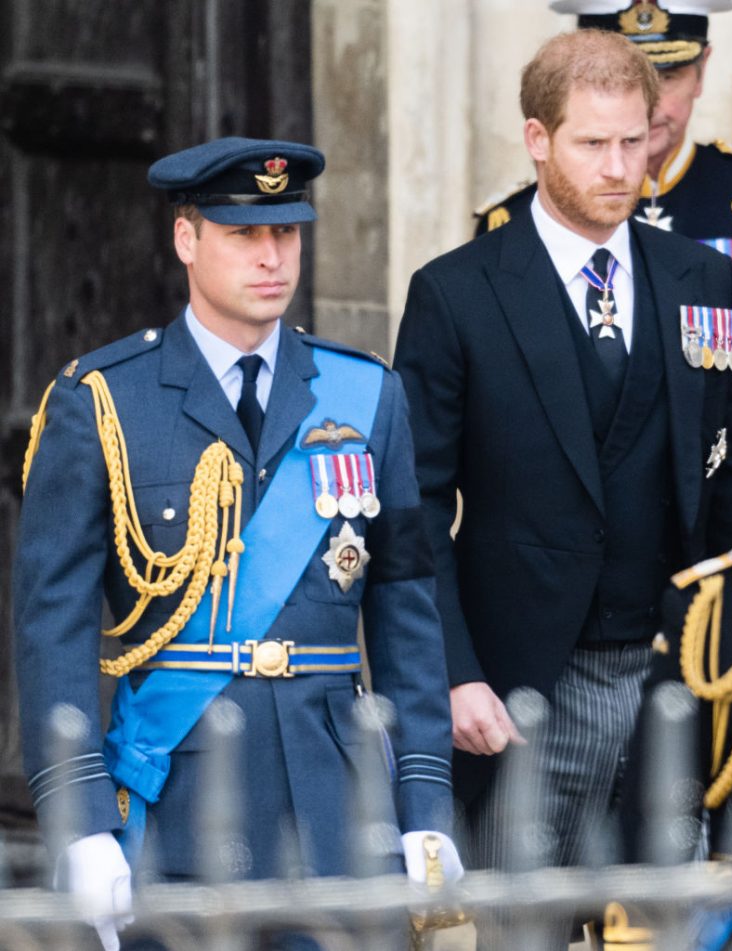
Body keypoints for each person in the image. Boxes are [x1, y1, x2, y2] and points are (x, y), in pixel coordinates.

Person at [14, 137, 461, 950]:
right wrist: (77, 819)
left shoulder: (366, 393)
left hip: (337, 808)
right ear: (187, 240)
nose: (272, 258)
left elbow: (405, 602)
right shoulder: (105, 402)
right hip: (177, 799)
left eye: (286, 234)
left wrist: (425, 803)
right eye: (243, 234)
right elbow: (55, 625)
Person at [394, 26, 732, 914]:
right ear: (538, 140)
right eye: (592, 143)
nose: (618, 167)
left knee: (669, 931)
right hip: (520, 688)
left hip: (672, 678)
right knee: (525, 931)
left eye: (633, 141)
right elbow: (413, 509)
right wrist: (453, 672)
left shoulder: (702, 280)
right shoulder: (459, 292)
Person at [475, 1, 732, 286]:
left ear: (701, 71)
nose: (649, 107)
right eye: (614, 86)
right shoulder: (516, 216)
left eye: (666, 77)